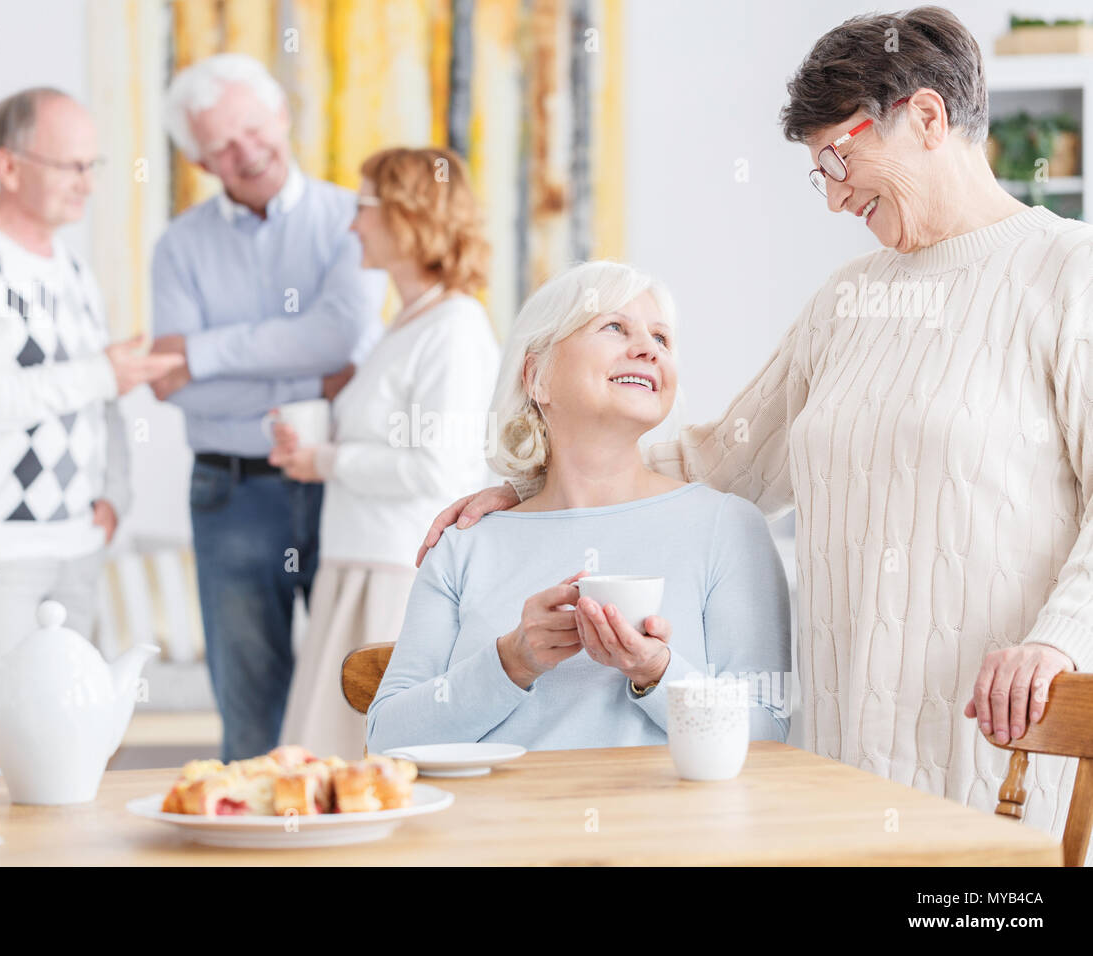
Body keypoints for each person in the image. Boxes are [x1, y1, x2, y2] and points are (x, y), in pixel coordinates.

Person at [417, 7, 1093, 857]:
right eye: (820, 173)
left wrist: (1055, 639)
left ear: (928, 118)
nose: (837, 195)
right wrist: (531, 486)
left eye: (841, 159)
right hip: (844, 756)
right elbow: (722, 457)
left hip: (999, 745)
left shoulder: (1068, 272)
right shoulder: (847, 299)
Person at [367, 261, 791, 753]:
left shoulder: (728, 527)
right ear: (536, 376)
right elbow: (386, 740)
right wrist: (511, 663)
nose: (648, 350)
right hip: (495, 828)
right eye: (614, 327)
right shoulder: (466, 540)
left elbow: (766, 732)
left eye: (662, 338)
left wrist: (656, 673)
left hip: (666, 830)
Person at [0, 88, 183, 735]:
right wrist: (99, 372)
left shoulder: (74, 272)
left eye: (93, 166)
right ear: (8, 166)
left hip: (76, 545)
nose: (87, 184)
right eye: (70, 166)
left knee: (67, 742)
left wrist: (115, 491)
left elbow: (100, 393)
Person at [150, 54, 385, 761]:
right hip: (231, 489)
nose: (245, 150)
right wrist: (315, 383)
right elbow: (172, 379)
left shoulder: (352, 219)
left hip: (338, 483)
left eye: (253, 126)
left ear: (281, 117)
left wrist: (207, 352)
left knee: (355, 689)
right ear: (198, 159)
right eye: (221, 143)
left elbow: (337, 332)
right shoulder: (180, 246)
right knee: (250, 706)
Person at [268, 147, 500, 756]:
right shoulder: (410, 325)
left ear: (406, 213)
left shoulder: (453, 328)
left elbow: (440, 469)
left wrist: (325, 461)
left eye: (362, 206)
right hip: (359, 567)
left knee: (373, 765)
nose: (352, 224)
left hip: (395, 580)